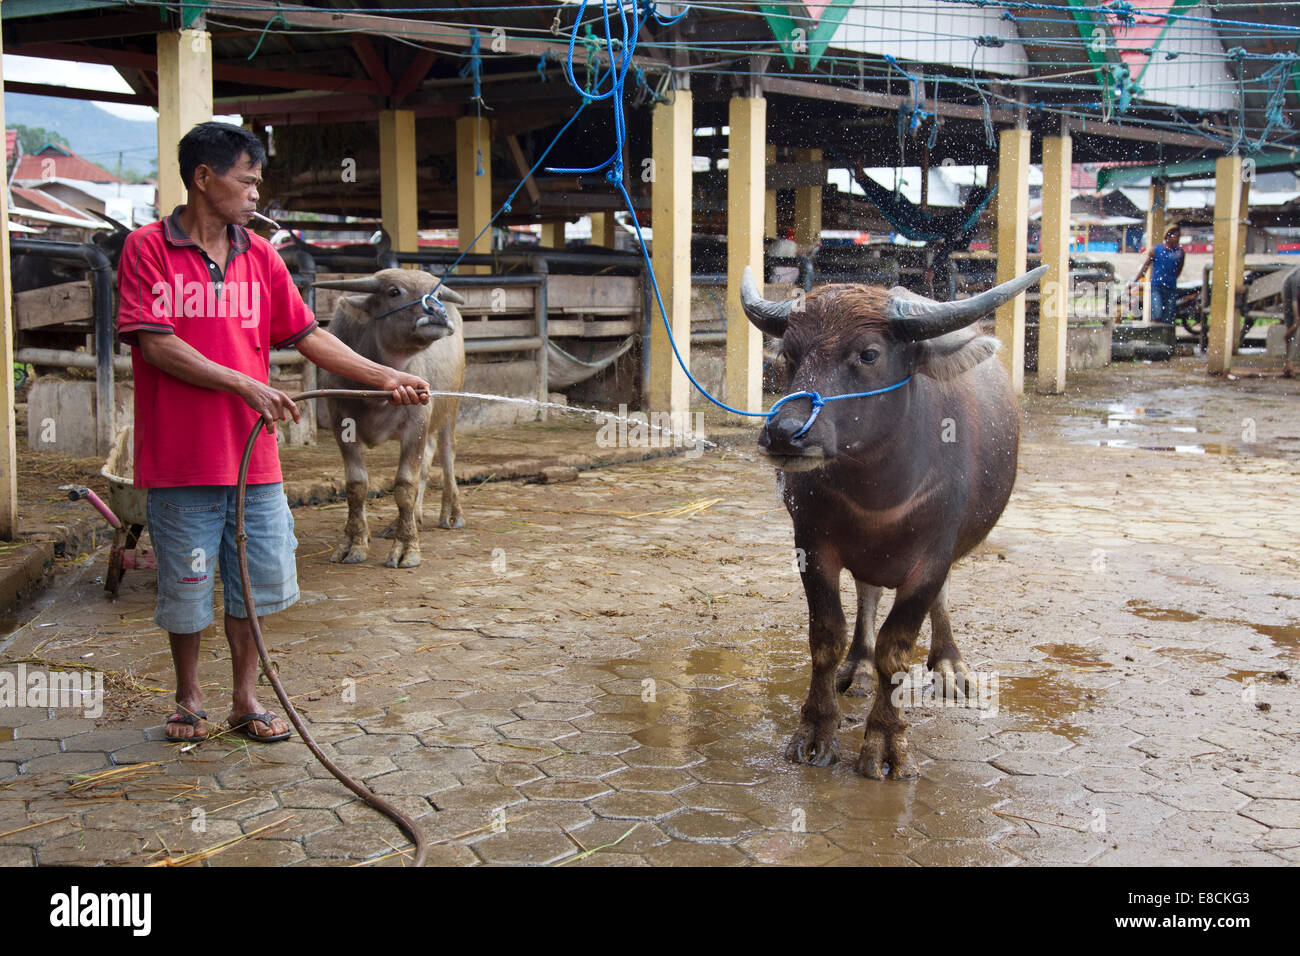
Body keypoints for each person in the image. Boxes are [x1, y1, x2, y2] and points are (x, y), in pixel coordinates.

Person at [117, 122, 430, 743]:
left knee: (254, 581)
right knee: (186, 582)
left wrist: (380, 375)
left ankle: (245, 698)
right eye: (248, 180)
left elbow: (306, 335)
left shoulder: (260, 256)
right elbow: (155, 344)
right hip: (182, 456)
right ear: (204, 179)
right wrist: (243, 383)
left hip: (253, 457)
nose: (257, 194)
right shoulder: (148, 249)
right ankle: (187, 696)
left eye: (259, 181)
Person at [1133, 223, 1186, 325]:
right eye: (1176, 236)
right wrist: (1135, 281)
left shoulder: (1180, 253)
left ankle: (1166, 339)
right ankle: (1156, 338)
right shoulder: (1156, 250)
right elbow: (1145, 266)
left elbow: (1179, 269)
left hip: (1171, 288)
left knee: (1169, 318)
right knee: (1157, 315)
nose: (1177, 239)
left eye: (1179, 236)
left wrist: (1171, 279)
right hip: (1157, 287)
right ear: (1168, 236)